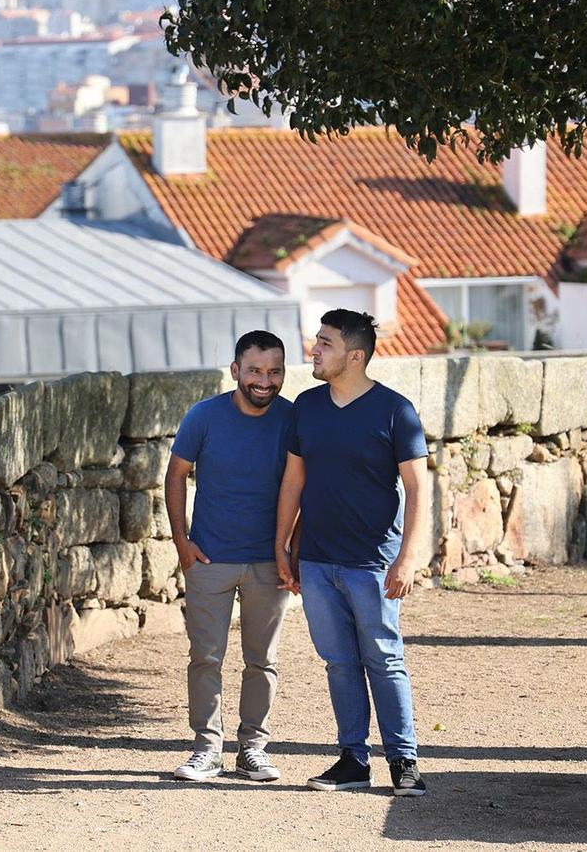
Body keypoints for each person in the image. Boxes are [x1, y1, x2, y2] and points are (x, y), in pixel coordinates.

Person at [275, 309, 429, 797]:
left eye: (325, 343)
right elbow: (294, 479)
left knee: (384, 659)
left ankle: (405, 762)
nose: (314, 350)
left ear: (354, 355)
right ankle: (352, 760)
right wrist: (283, 544)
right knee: (339, 662)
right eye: (317, 340)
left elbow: (419, 487)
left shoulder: (395, 410)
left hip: (374, 563)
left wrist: (408, 557)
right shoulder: (307, 406)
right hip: (318, 561)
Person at [165, 330, 294, 782]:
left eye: (274, 371)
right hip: (209, 559)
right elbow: (176, 475)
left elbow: (305, 488)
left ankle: (253, 749)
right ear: (236, 369)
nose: (265, 380)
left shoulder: (293, 420)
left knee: (264, 659)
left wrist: (291, 551)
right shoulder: (204, 416)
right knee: (206, 656)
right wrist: (182, 542)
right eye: (255, 370)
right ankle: (206, 749)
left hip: (269, 561)